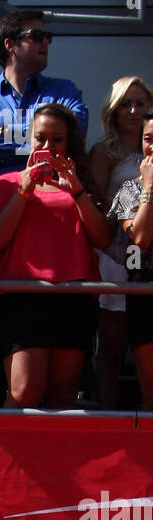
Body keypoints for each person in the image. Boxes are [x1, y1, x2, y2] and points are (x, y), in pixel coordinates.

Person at [0, 103, 110, 408]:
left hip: (74, 295)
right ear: (29, 140)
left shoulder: (81, 184)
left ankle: (54, 458)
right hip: (21, 296)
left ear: (69, 143)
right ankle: (7, 457)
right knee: (24, 392)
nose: (47, 147)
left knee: (63, 397)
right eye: (40, 138)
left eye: (57, 139)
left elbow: (103, 239)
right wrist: (24, 191)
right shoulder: (7, 184)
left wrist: (78, 192)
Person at [0, 10, 88, 201]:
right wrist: (38, 138)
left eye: (47, 37)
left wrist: (4, 131)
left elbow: (76, 130)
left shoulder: (65, 91)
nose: (45, 42)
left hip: (51, 204)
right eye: (36, 36)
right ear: (10, 44)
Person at [88, 77, 153, 408]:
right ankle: (107, 412)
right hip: (116, 251)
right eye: (126, 103)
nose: (133, 110)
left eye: (140, 103)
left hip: (148, 258)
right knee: (112, 343)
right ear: (113, 109)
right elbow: (95, 201)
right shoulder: (104, 150)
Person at [109, 114, 153, 410]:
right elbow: (141, 237)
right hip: (145, 291)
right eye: (149, 139)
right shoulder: (130, 190)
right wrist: (149, 186)